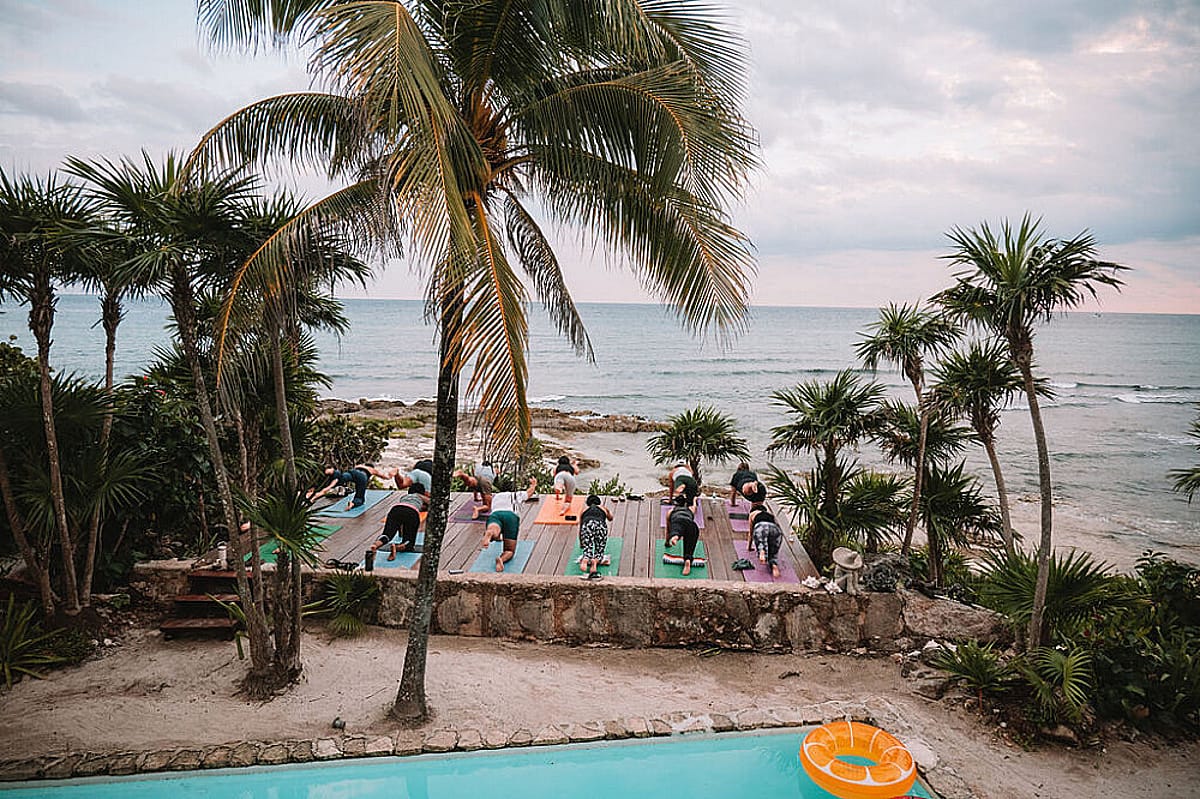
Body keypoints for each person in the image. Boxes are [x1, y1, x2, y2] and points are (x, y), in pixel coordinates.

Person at [480, 476, 537, 572]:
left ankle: (490, 533)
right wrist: (533, 484)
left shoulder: (496, 497)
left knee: (494, 529)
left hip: (496, 514)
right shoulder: (517, 494)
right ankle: (501, 559)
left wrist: (497, 538)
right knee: (509, 550)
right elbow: (530, 492)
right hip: (511, 516)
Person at [370, 484, 429, 560]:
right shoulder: (420, 496)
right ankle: (397, 548)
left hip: (396, 509)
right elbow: (431, 503)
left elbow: (401, 521)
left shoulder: (404, 497)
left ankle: (376, 545)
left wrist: (401, 533)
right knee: (409, 544)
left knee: (387, 534)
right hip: (412, 512)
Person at [665, 493, 701, 576]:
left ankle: (675, 537)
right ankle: (687, 560)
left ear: (675, 504)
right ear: (685, 504)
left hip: (678, 521)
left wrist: (667, 541)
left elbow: (668, 529)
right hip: (692, 525)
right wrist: (694, 499)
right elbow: (694, 504)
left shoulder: (671, 512)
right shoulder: (691, 509)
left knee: (676, 530)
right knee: (689, 546)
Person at [577, 494, 612, 579]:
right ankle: (595, 563)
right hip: (600, 525)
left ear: (588, 503)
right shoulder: (603, 508)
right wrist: (606, 512)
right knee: (599, 548)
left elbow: (581, 526)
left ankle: (585, 561)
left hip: (587, 525)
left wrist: (582, 541)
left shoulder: (584, 510)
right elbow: (611, 518)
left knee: (588, 548)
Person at [748, 503, 783, 578]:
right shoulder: (770, 515)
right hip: (775, 529)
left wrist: (749, 547)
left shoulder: (752, 514)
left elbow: (751, 533)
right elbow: (776, 526)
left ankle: (762, 551)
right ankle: (774, 566)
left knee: (761, 541)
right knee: (773, 552)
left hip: (761, 525)